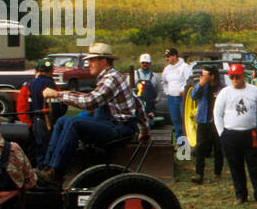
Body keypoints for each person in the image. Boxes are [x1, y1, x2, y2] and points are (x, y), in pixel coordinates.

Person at [37, 42, 146, 186]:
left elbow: (90, 101)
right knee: (63, 120)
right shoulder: (110, 77)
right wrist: (145, 131)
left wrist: (57, 94)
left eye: (92, 60)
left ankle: (56, 174)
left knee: (73, 123)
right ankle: (48, 167)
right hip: (113, 124)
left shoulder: (111, 78)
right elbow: (137, 102)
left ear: (104, 61)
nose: (89, 64)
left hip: (120, 129)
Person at [214, 63, 257, 204]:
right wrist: (222, 133)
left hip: (250, 134)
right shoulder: (225, 93)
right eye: (232, 77)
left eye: (238, 76)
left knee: (254, 166)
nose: (235, 79)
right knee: (235, 167)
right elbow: (217, 114)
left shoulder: (253, 90)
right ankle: (241, 195)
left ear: (244, 76)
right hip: (230, 135)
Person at [190, 65, 223, 185]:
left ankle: (217, 173)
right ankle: (199, 174)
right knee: (200, 148)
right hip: (203, 120)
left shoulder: (221, 87)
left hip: (216, 122)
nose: (202, 77)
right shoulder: (202, 87)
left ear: (212, 76)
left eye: (204, 75)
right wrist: (200, 84)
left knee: (218, 148)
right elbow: (193, 96)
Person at [25, 60, 58, 167]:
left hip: (36, 121)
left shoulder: (31, 84)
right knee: (47, 149)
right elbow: (56, 107)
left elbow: (29, 104)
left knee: (38, 149)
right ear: (51, 71)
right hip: (47, 122)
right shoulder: (51, 84)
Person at [161, 47, 192, 142]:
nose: (167, 58)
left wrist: (183, 90)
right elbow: (163, 82)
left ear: (175, 56)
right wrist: (167, 92)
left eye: (169, 56)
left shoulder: (184, 67)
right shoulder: (166, 69)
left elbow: (189, 80)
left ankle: (188, 141)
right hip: (171, 98)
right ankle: (180, 144)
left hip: (182, 98)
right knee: (175, 120)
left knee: (184, 120)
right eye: (166, 57)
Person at [134, 53, 162, 119]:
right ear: (140, 63)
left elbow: (160, 90)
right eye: (143, 63)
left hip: (150, 106)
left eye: (147, 63)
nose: (145, 64)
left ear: (150, 64)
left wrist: (157, 99)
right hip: (137, 104)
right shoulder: (134, 75)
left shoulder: (155, 76)